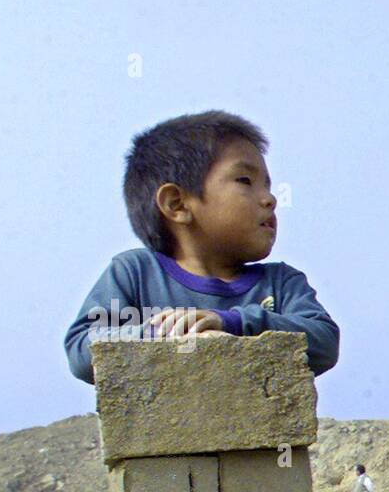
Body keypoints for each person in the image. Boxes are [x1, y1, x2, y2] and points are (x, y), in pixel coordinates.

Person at [64, 110, 339, 383]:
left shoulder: (280, 283)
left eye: (267, 186)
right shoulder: (135, 273)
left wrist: (231, 322)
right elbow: (82, 347)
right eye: (245, 181)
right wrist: (168, 333)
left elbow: (324, 341)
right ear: (177, 204)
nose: (270, 199)